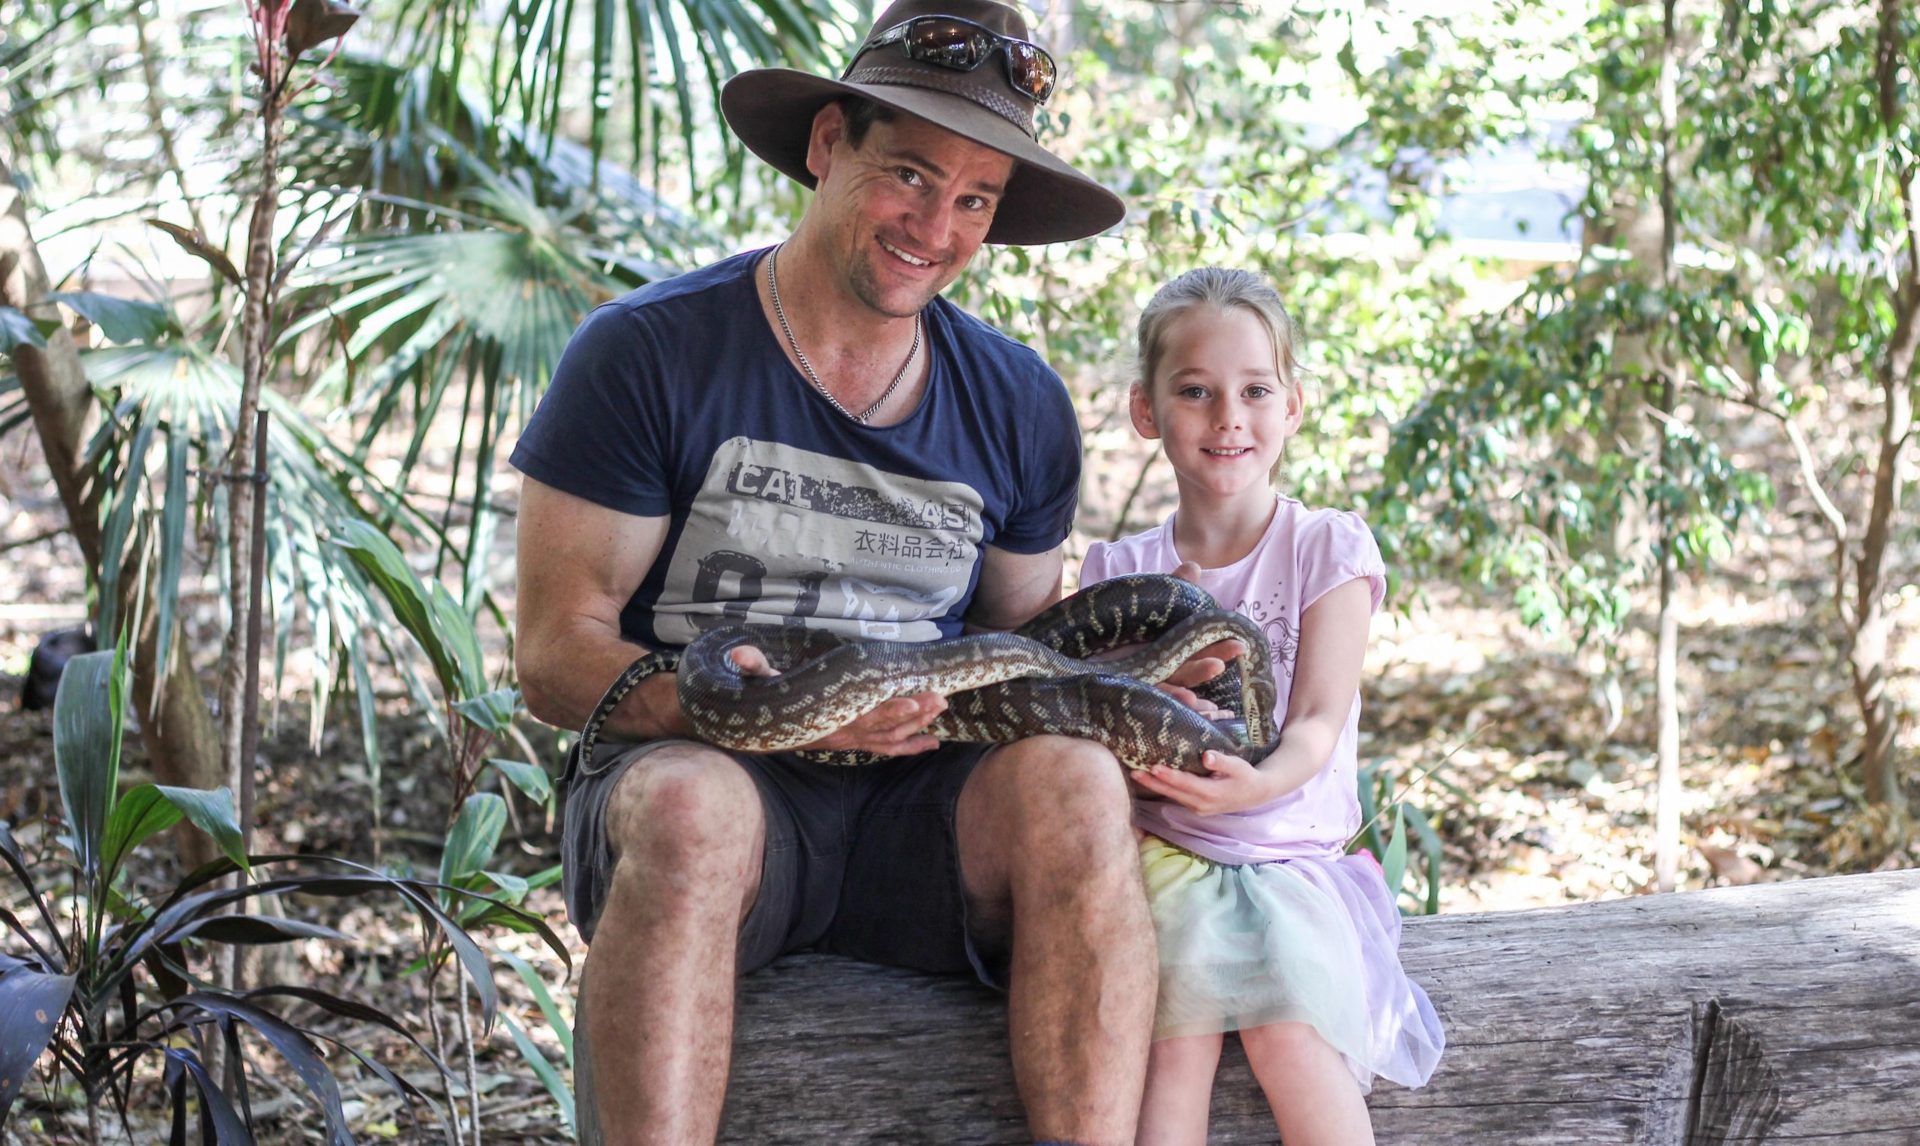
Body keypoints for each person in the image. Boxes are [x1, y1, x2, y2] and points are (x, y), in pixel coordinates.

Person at [510, 3, 1228, 1142]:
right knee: (691, 809)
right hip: (713, 780)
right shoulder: (652, 354)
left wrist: (1135, 681)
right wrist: (758, 711)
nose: (934, 225)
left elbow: (1023, 636)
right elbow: (553, 653)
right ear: (826, 144)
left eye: (976, 199)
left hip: (923, 808)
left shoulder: (1017, 402)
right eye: (908, 173)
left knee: (1079, 786)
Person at [1080, 267, 1446, 1146]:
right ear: (1146, 410)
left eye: (1254, 391)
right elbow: (1095, 728)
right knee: (1173, 1051)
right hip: (1163, 851)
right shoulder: (1116, 573)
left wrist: (1255, 787)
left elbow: (1319, 719)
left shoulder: (1327, 548)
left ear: (1294, 407)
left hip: (1288, 853)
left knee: (1291, 1033)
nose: (1227, 417)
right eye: (1195, 392)